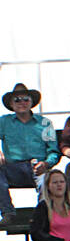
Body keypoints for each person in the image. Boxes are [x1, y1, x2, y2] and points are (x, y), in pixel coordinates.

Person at [0, 83, 59, 226]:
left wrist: (46, 163)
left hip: (37, 166)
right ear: (11, 104)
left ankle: (41, 217)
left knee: (48, 179)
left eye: (25, 99)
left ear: (32, 102)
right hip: (13, 168)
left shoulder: (44, 123)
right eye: (17, 100)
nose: (22, 103)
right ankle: (8, 213)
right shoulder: (4, 121)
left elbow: (54, 151)